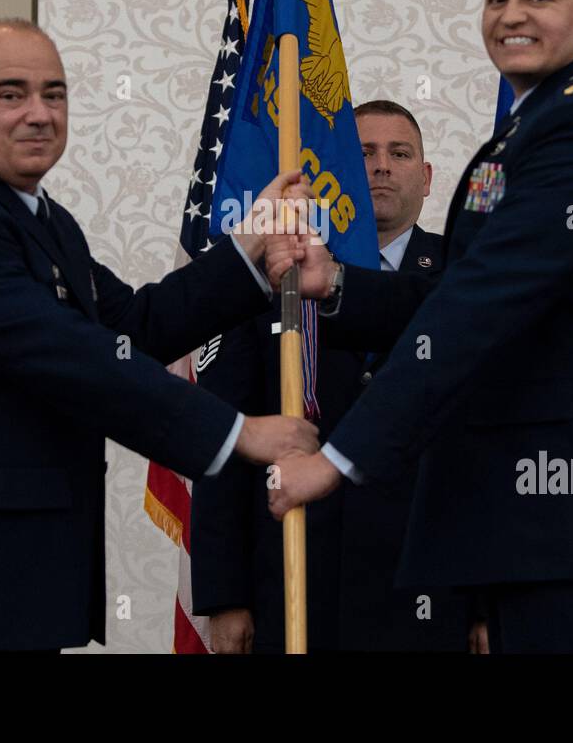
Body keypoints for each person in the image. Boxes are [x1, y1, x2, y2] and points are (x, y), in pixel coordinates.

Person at [267, 0, 573, 653]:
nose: (511, 15)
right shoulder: (529, 130)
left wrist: (338, 458)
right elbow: (461, 289)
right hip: (537, 521)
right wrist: (336, 283)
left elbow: (479, 309)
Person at [0, 18, 318, 652]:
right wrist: (239, 432)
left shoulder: (42, 218)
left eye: (54, 93)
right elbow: (76, 361)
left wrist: (249, 251)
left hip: (14, 589)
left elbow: (132, 327)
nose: (38, 113)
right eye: (11, 94)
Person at [192, 101, 469, 652]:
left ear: (428, 176)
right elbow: (226, 434)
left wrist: (490, 604)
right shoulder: (280, 271)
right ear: (336, 172)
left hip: (429, 588)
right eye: (364, 153)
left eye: (400, 153)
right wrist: (225, 595)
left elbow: (486, 446)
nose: (382, 166)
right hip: (297, 577)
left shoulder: (467, 278)